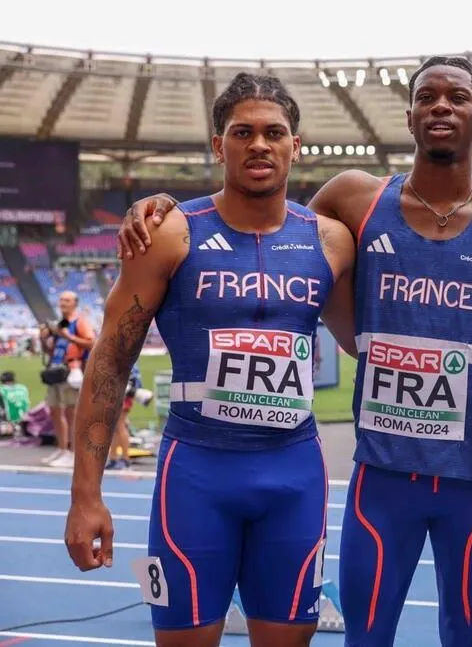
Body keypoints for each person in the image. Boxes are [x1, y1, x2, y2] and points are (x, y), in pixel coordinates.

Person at [113, 56, 472, 647]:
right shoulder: (351, 199)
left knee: (466, 637)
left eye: (457, 98)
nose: (441, 107)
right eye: (427, 97)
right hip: (380, 478)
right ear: (407, 116)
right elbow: (267, 217)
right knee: (367, 636)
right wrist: (163, 205)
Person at [64, 73, 357, 647]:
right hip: (195, 475)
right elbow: (109, 360)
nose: (259, 145)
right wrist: (85, 496)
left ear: (296, 146)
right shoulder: (168, 234)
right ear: (218, 145)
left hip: (293, 475)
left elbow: (373, 336)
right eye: (241, 132)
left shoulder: (330, 241)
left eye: (274, 132)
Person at [39, 290, 95, 468]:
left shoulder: (79, 322)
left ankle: (72, 452)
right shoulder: (60, 323)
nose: (63, 303)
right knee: (55, 412)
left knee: (72, 414)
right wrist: (43, 339)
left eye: (67, 300)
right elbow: (52, 351)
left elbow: (91, 343)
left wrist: (68, 336)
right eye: (61, 300)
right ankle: (62, 449)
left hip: (71, 371)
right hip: (55, 370)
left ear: (75, 303)